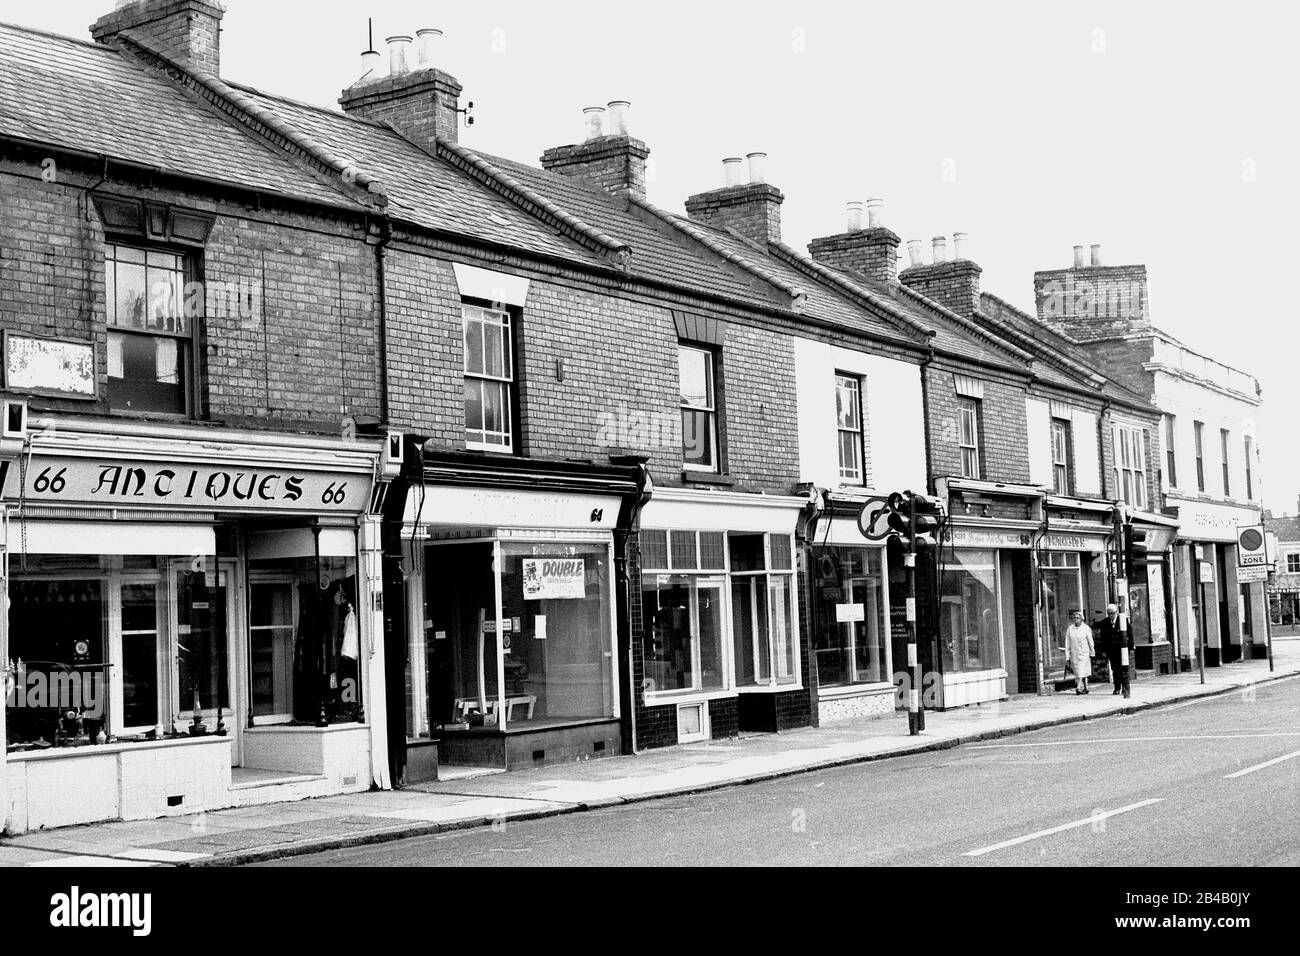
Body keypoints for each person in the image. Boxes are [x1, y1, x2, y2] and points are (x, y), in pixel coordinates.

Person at [1097, 602, 1132, 697]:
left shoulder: (1123, 620)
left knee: (1123, 669)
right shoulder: (1104, 622)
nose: (1110, 615)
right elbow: (1103, 637)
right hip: (1112, 650)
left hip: (1122, 650)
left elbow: (1130, 633)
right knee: (1115, 669)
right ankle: (1117, 687)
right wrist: (1103, 650)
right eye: (1109, 613)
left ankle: (1125, 687)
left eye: (1112, 613)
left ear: (1116, 612)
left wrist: (1131, 647)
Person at [1064, 609, 1095, 695]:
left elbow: (1090, 641)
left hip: (1084, 653)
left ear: (1082, 619)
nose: (1076, 619)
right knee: (1079, 671)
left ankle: (1078, 687)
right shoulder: (1070, 629)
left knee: (1081, 670)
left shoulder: (1086, 628)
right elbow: (1067, 643)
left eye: (1078, 618)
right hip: (1074, 653)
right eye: (1074, 618)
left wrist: (1092, 652)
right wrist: (1067, 656)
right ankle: (1086, 687)